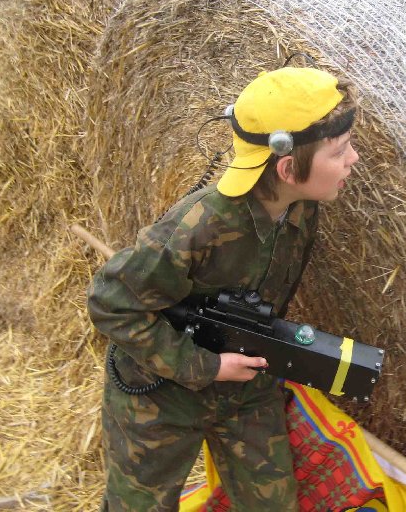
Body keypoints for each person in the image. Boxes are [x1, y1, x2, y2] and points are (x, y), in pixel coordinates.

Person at [87, 66, 360, 511]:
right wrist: (204, 367)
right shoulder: (198, 226)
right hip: (161, 391)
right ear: (289, 167)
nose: (354, 160)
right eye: (340, 151)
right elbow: (110, 304)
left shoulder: (303, 209)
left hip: (245, 389)